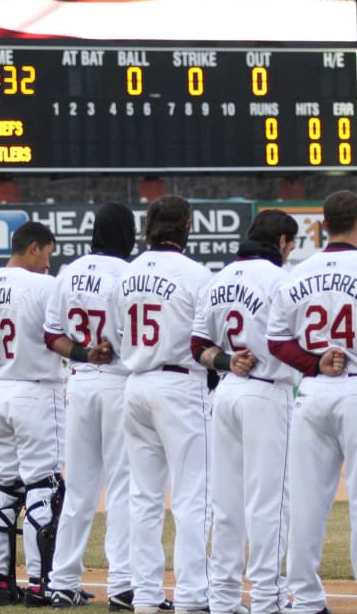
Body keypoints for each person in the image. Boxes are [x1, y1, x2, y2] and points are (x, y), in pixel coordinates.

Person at [267, 191, 357, 614]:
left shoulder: (294, 275)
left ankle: (306, 600)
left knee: (307, 503)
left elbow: (276, 341)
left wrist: (313, 361)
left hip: (311, 393)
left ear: (322, 226)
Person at [192, 210, 298, 614]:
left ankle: (222, 598)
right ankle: (269, 599)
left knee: (228, 501)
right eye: (291, 243)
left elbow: (198, 345)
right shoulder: (281, 280)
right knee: (269, 501)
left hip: (227, 393)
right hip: (267, 393)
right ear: (283, 241)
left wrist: (225, 361)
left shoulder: (217, 279)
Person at [114, 195, 213, 614]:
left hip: (135, 383)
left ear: (148, 226)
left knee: (144, 496)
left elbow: (119, 334)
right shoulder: (196, 273)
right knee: (191, 495)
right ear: (187, 224)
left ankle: (147, 596)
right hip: (179, 383)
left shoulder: (126, 274)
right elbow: (207, 340)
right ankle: (193, 595)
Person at [43, 203, 136, 610]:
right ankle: (122, 585)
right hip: (118, 383)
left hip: (79, 384)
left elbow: (51, 336)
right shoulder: (127, 275)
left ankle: (62, 581)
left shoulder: (68, 272)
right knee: (122, 487)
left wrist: (83, 353)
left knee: (79, 488)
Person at [0, 221, 62, 605]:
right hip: (36, 389)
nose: (48, 262)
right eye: (47, 253)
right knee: (44, 487)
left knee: (7, 488)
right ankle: (41, 586)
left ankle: (0, 583)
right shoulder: (44, 285)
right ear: (33, 248)